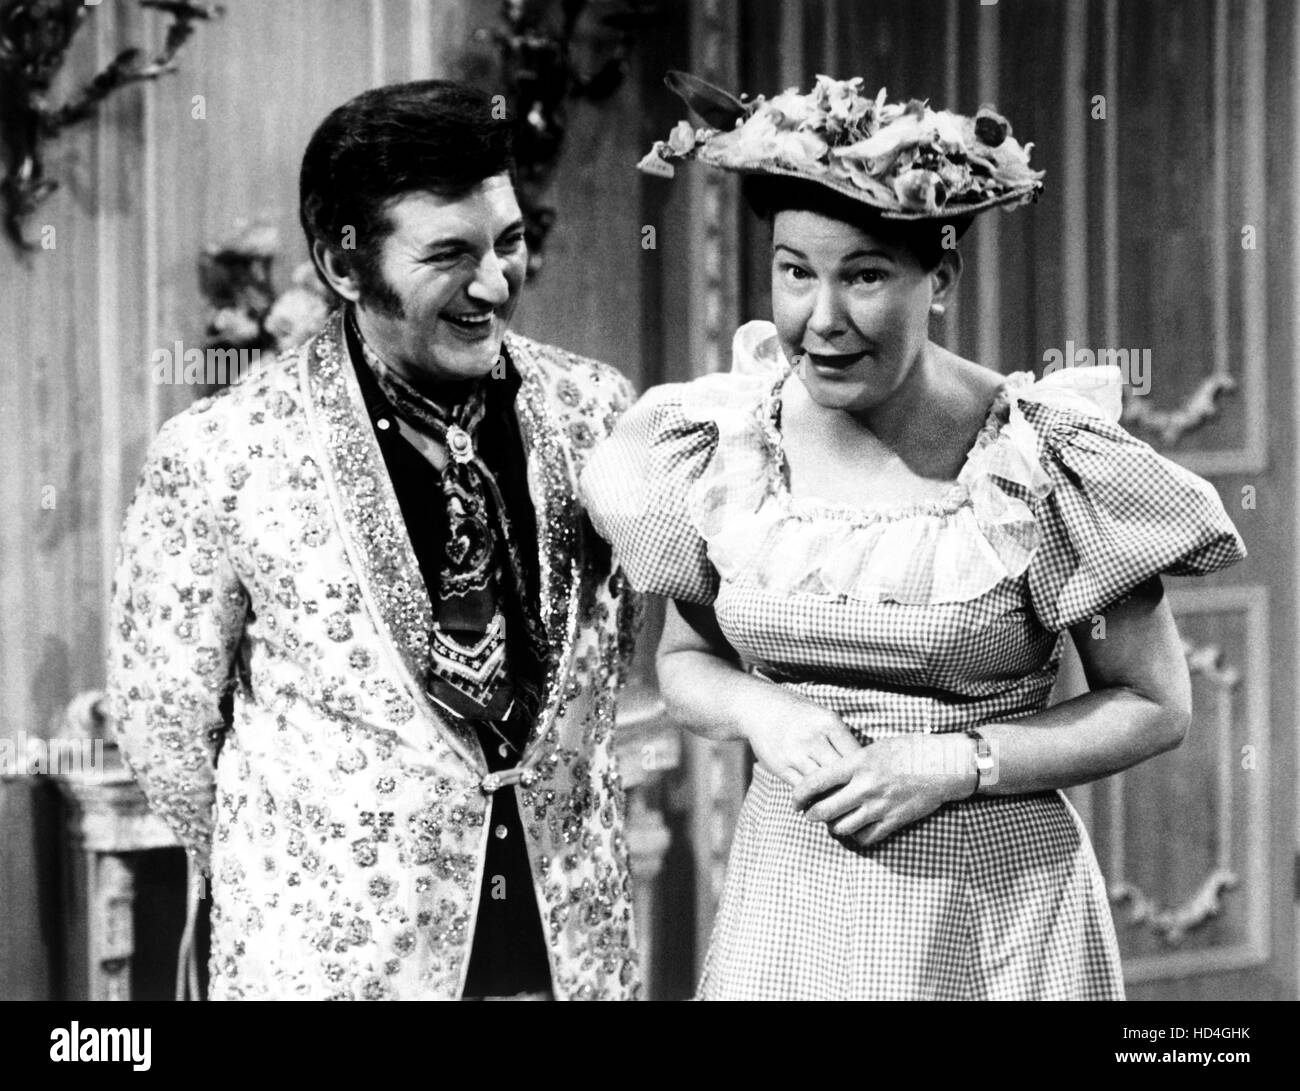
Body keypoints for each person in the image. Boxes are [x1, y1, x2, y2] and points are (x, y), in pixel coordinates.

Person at [580, 74, 1247, 1000]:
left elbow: (1155, 703)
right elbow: (687, 665)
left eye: (863, 274)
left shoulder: (1036, 459)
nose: (822, 318)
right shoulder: (728, 443)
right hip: (789, 903)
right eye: (794, 270)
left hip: (996, 912)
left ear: (939, 277)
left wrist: (957, 761)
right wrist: (762, 712)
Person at [106, 80, 642, 1001]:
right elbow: (166, 731)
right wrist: (304, 881)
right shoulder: (224, 452)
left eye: (509, 243)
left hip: (566, 948)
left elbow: (613, 649)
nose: (494, 283)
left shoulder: (599, 409)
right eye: (449, 254)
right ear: (343, 265)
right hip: (336, 964)